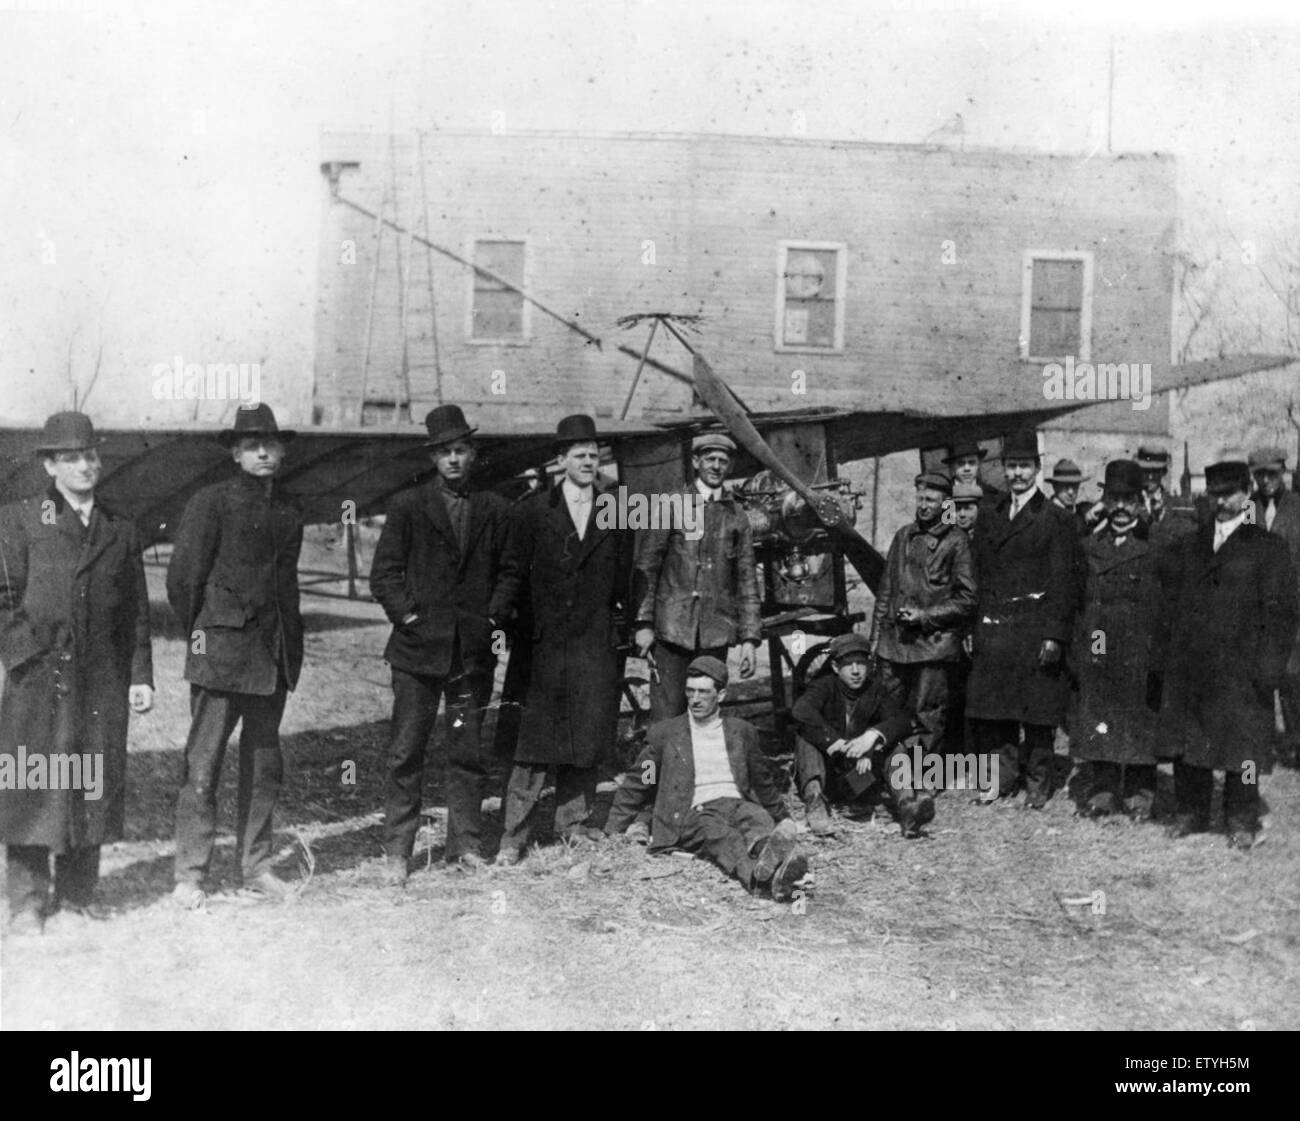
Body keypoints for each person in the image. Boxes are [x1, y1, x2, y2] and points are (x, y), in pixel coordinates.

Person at [0, 413, 154, 934]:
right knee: (33, 783)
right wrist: (25, 657)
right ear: (49, 465)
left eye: (90, 455)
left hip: (100, 680)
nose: (84, 466)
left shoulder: (119, 528)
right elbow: (3, 599)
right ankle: (26, 902)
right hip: (38, 678)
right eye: (70, 458)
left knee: (91, 781)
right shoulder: (20, 520)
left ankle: (78, 895)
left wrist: (140, 675)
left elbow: (136, 610)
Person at [167, 403, 303, 906]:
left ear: (282, 450)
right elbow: (184, 581)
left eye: (270, 444)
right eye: (251, 445)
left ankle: (256, 867)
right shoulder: (211, 503)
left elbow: (285, 588)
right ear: (235, 453)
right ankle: (190, 875)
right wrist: (209, 633)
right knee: (202, 766)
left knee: (263, 766)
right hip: (220, 658)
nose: (263, 453)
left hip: (272, 658)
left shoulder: (289, 509)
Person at [369, 406, 509, 879]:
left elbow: (510, 572)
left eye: (461, 449)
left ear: (473, 453)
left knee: (466, 751)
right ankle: (397, 852)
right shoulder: (408, 506)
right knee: (406, 751)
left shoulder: (493, 508)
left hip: (470, 655)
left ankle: (464, 846)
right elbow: (384, 574)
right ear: (433, 457)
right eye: (445, 451)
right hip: (417, 654)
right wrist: (409, 617)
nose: (453, 459)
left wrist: (491, 618)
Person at [490, 415, 634, 865]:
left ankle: (572, 824)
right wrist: (502, 623)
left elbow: (624, 576)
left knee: (584, 734)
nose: (588, 462)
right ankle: (513, 837)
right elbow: (512, 572)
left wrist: (617, 628)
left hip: (593, 641)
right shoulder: (531, 511)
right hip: (542, 645)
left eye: (594, 455)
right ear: (561, 460)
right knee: (530, 743)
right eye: (579, 455)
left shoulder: (616, 509)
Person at [1156, 458, 1298, 849]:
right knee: (1191, 743)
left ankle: (1241, 817)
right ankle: (1192, 811)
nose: (1221, 502)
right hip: (1195, 665)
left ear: (1247, 493)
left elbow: (1282, 615)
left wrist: (1268, 668)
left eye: (1230, 494)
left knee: (1244, 751)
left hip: (1243, 670)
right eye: (1214, 494)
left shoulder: (1268, 548)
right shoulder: (1191, 545)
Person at [605, 655, 807, 900]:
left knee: (758, 818)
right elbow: (642, 780)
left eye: (703, 692)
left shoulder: (742, 731)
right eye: (690, 691)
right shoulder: (665, 734)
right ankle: (757, 879)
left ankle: (776, 861)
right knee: (722, 836)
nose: (695, 699)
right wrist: (614, 827)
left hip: (737, 803)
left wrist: (784, 819)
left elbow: (762, 781)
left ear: (720, 695)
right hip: (695, 811)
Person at [965, 429, 1078, 808]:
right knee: (998, 709)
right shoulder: (990, 515)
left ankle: (1038, 783)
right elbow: (979, 574)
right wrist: (975, 625)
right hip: (997, 628)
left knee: (1038, 712)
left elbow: (1064, 583)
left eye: (1024, 466)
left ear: (1037, 469)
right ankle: (1002, 778)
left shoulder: (1056, 519)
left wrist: (1055, 635)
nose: (1017, 474)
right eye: (1011, 466)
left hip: (1035, 628)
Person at [632, 431, 761, 722]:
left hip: (716, 633)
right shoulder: (671, 505)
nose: (716, 466)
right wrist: (643, 624)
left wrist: (750, 639)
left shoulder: (736, 515)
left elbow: (747, 581)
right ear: (695, 462)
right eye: (710, 459)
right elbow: (647, 568)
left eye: (723, 461)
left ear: (729, 466)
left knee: (706, 714)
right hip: (671, 631)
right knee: (667, 717)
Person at [1069, 461, 1162, 820]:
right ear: (1104, 501)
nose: (1121, 507)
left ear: (1140, 501)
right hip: (1100, 644)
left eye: (1129, 499)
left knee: (1140, 720)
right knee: (1101, 713)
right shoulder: (1090, 545)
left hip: (1139, 649)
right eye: (1114, 498)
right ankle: (1104, 789)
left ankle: (1140, 794)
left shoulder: (1155, 544)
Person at [872, 471, 975, 772]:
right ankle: (894, 776)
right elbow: (886, 590)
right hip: (894, 644)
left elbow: (967, 599)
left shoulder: (957, 541)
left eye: (931, 500)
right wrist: (876, 638)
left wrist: (925, 616)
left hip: (933, 645)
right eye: (920, 498)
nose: (924, 505)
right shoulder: (903, 536)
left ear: (945, 504)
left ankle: (926, 778)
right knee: (889, 710)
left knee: (928, 714)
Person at [791, 633, 918, 836]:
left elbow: (902, 721)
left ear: (869, 666)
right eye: (848, 664)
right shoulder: (824, 686)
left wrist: (872, 737)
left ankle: (907, 804)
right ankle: (815, 803)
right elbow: (801, 710)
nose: (856, 671)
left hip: (861, 778)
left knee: (894, 744)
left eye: (861, 663)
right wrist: (836, 742)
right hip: (829, 777)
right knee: (805, 736)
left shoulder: (875, 689)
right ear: (835, 667)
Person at [1249, 446, 1300, 766]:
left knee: (1293, 678)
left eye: (1272, 473)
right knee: (1260, 676)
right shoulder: (1248, 507)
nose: (1266, 480)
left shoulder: (1297, 507)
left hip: (1293, 608)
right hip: (1258, 609)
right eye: (1260, 475)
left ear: (1284, 472)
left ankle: (1296, 744)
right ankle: (1261, 743)